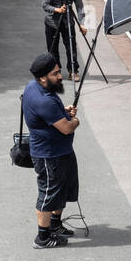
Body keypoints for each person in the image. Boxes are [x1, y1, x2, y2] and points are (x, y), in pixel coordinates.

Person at [22, 53, 80, 249]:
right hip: (49, 156)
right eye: (55, 73)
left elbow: (48, 113)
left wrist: (62, 110)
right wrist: (74, 121)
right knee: (48, 194)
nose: (61, 76)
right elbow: (66, 128)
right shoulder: (44, 100)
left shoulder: (34, 87)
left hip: (60, 151)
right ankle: (43, 238)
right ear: (43, 77)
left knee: (61, 190)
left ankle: (55, 225)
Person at [42, 0, 87, 81]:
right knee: (53, 50)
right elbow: (44, 5)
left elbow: (80, 8)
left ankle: (73, 71)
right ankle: (56, 72)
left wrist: (82, 24)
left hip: (68, 23)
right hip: (52, 23)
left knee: (71, 47)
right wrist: (57, 10)